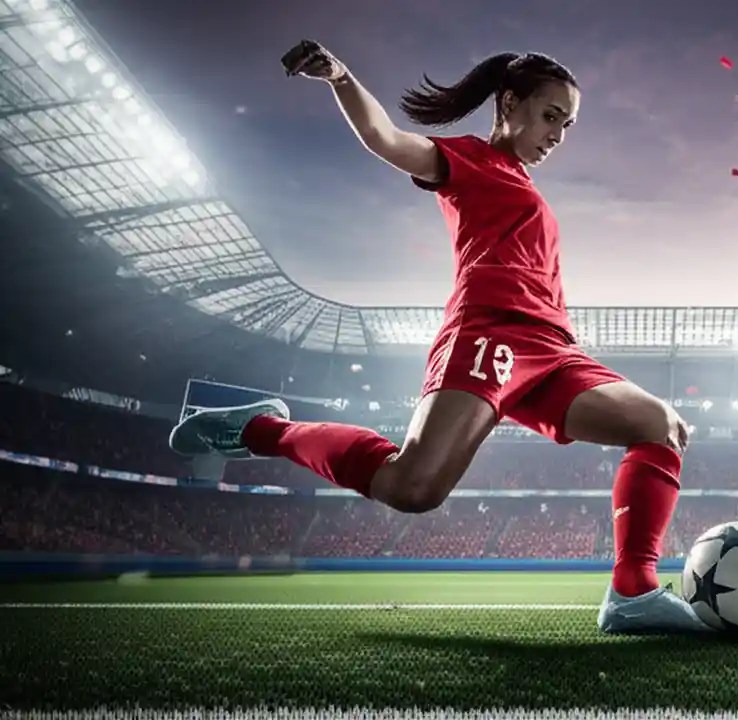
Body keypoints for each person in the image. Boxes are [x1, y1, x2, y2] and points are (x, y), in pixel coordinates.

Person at [168, 40, 707, 634]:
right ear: (510, 103)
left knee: (664, 426)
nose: (558, 134)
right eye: (551, 116)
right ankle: (260, 429)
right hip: (489, 337)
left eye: (568, 125)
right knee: (414, 487)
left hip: (555, 351)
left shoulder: (526, 186)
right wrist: (342, 77)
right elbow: (387, 141)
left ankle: (632, 594)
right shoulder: (470, 161)